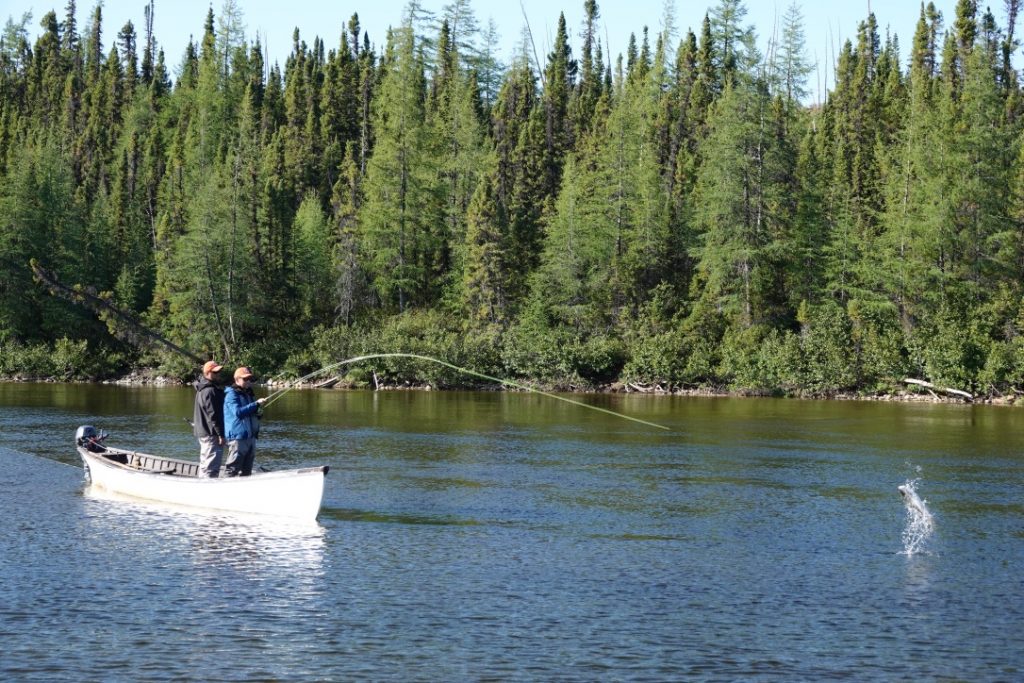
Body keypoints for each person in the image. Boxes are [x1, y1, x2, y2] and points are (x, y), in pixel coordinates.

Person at [224, 366, 266, 477]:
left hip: (250, 436)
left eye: (249, 379)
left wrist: (258, 412)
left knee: (247, 470)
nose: (248, 381)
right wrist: (256, 404)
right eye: (245, 379)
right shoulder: (231, 394)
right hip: (238, 437)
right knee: (232, 468)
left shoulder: (248, 393)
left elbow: (252, 412)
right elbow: (238, 412)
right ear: (237, 380)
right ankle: (225, 489)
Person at [193, 360, 226, 477]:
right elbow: (213, 415)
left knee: (205, 463)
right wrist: (220, 434)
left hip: (204, 431)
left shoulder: (203, 389)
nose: (218, 375)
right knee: (211, 466)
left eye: (218, 372)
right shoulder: (210, 391)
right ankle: (206, 488)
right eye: (214, 372)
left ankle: (202, 484)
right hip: (211, 433)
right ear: (207, 374)